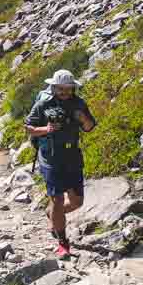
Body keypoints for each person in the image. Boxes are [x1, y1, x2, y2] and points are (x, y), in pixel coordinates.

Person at [25, 68, 96, 258]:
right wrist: (46, 129)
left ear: (73, 88)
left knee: (77, 202)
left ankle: (54, 215)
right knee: (57, 199)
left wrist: (83, 118)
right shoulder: (43, 104)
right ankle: (63, 242)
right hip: (50, 157)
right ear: (54, 87)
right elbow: (29, 128)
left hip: (72, 155)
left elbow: (89, 127)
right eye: (60, 89)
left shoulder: (79, 103)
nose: (64, 92)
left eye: (68, 89)